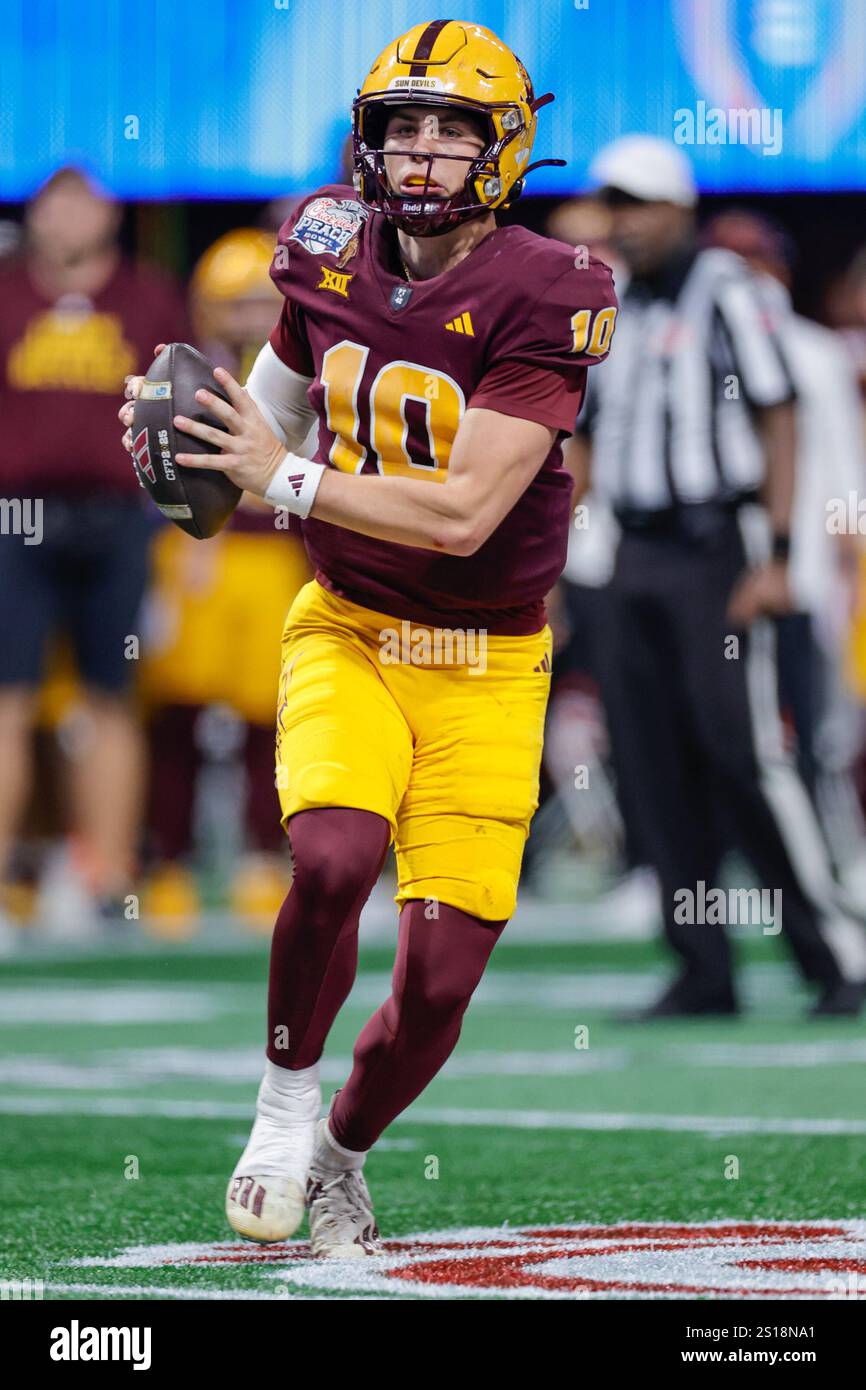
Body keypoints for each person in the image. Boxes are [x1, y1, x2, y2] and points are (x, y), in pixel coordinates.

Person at [120, 20, 617, 1253]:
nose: (427, 149)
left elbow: (459, 515)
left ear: (503, 152)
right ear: (369, 136)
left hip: (489, 661)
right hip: (347, 625)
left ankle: (341, 1151)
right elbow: (269, 415)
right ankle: (282, 1108)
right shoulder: (322, 241)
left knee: (438, 982)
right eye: (406, 124)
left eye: (455, 129)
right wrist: (194, 449)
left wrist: (275, 476)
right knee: (334, 859)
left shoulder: (551, 286)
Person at [567, 135, 865, 1021]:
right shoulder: (608, 305)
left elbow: (780, 420)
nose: (624, 222)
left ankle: (836, 953)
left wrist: (775, 556)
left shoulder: (732, 290)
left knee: (746, 753)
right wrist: (559, 558)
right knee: (649, 757)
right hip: (633, 550)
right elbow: (580, 441)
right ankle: (702, 966)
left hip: (716, 550)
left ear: (679, 210)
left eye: (639, 205)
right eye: (613, 205)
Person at [0, 167, 189, 942]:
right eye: (56, 202)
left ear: (108, 216)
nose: (70, 216)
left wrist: (182, 525)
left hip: (119, 520)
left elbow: (184, 417)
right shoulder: (6, 294)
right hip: (17, 520)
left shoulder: (148, 299)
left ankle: (109, 881)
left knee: (114, 699)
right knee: (7, 699)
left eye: (84, 201)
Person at [139, 229, 312, 933]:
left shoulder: (305, 373)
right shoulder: (187, 371)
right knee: (175, 713)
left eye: (257, 303)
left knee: (268, 722)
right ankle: (168, 861)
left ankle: (262, 857)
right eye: (232, 302)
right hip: (197, 559)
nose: (245, 318)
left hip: (274, 559)